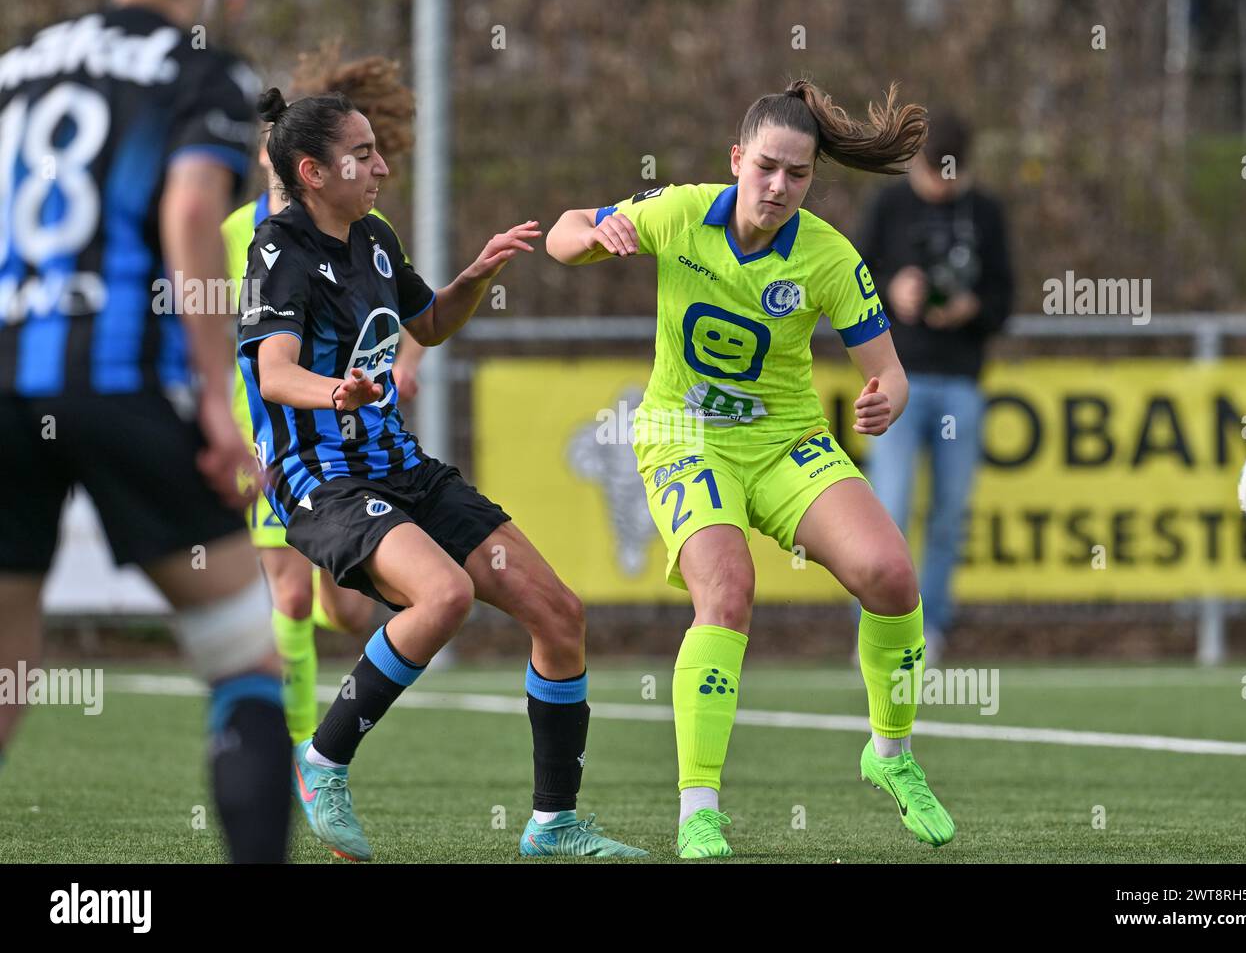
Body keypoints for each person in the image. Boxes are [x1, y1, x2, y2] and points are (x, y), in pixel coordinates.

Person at [547, 79, 956, 857]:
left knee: (892, 576)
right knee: (727, 591)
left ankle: (891, 756)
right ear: (737, 159)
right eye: (766, 167)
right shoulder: (678, 212)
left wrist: (886, 401)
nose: (778, 186)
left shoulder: (828, 255)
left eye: (797, 174)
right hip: (683, 434)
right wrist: (598, 235)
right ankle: (698, 809)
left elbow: (889, 373)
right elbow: (563, 233)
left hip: (784, 440)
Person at [238, 87, 646, 861]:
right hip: (321, 478)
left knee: (560, 614)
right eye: (362, 155)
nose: (382, 168)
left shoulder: (374, 237)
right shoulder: (277, 250)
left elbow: (427, 324)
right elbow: (275, 374)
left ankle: (553, 823)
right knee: (445, 594)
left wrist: (476, 277)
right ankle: (321, 761)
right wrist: (337, 392)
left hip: (399, 465)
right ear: (313, 172)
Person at [0, 0, 290, 862]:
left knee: (7, 656)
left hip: (5, 377)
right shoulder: (198, 69)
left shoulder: (17, 66)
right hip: (120, 383)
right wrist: (215, 400)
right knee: (244, 656)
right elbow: (194, 212)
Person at [224, 46, 423, 745]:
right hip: (271, 439)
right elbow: (211, 334)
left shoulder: (361, 232)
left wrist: (405, 361)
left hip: (353, 447)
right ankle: (300, 749)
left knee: (346, 614)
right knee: (285, 592)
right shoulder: (239, 234)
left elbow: (403, 314)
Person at [852, 110, 1013, 663]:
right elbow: (847, 281)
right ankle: (875, 628)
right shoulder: (889, 206)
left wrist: (972, 307)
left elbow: (1005, 299)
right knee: (888, 509)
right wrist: (891, 290)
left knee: (948, 516)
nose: (942, 187)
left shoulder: (985, 212)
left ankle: (932, 626)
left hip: (961, 384)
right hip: (896, 380)